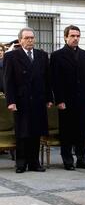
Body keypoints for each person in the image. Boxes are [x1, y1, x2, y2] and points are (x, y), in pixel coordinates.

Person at [3, 27, 53, 173]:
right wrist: (11, 101)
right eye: (26, 38)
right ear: (20, 40)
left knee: (36, 132)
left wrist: (49, 98)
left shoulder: (42, 55)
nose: (30, 40)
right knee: (22, 133)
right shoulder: (11, 56)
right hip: (21, 100)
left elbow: (47, 79)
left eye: (32, 38)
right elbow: (8, 81)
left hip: (38, 99)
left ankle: (34, 163)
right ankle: (21, 163)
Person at [50, 25, 85, 170]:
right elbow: (55, 80)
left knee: (82, 131)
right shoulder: (57, 56)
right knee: (67, 132)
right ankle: (68, 161)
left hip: (83, 98)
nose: (75, 38)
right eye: (72, 36)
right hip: (66, 100)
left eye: (77, 36)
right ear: (65, 37)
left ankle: (82, 159)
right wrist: (60, 100)